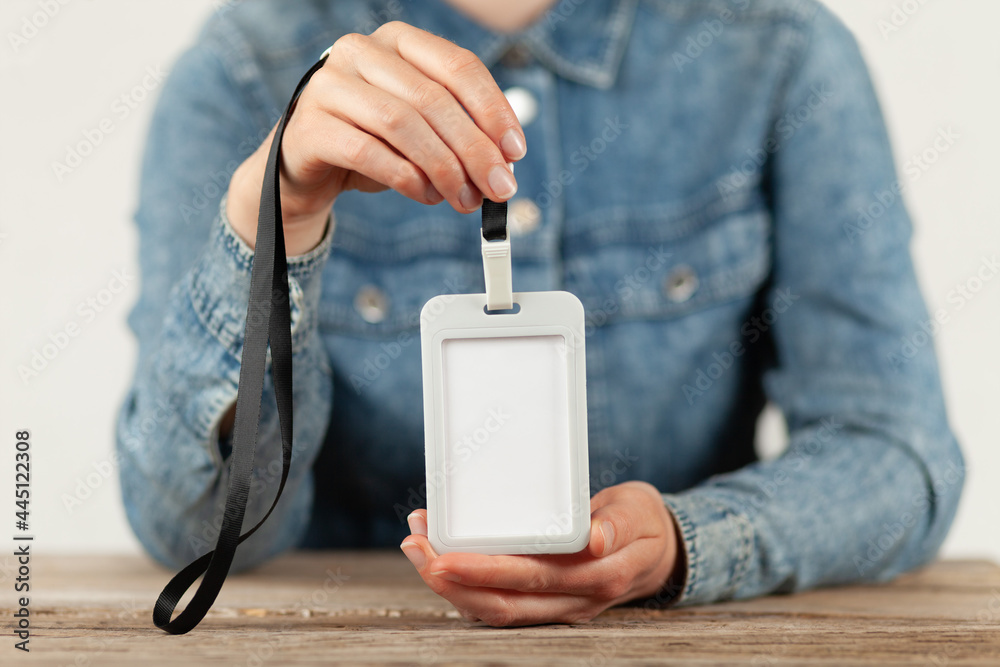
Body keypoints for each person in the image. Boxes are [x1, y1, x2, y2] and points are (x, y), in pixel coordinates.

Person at [117, 0, 965, 627]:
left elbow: (897, 454)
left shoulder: (779, 50)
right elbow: (191, 528)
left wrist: (684, 543)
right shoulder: (241, 70)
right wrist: (278, 215)